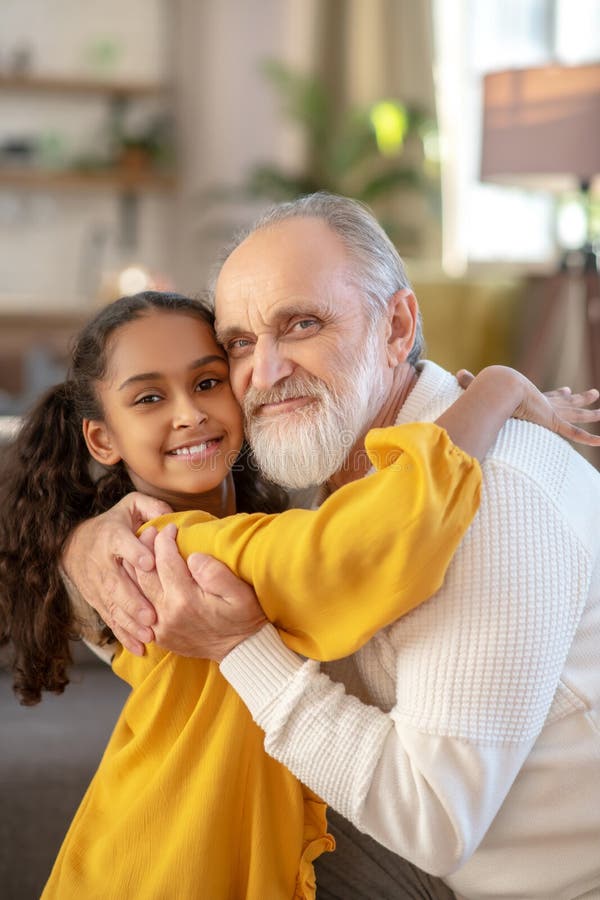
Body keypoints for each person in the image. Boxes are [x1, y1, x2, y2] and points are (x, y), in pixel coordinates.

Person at [63, 194, 600, 900]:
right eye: (239, 344)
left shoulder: (492, 498)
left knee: (204, 846)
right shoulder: (328, 473)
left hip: (492, 882)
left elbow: (434, 821)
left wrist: (241, 647)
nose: (267, 370)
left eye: (303, 324)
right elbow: (150, 646)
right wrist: (86, 546)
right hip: (420, 856)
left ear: (397, 326)